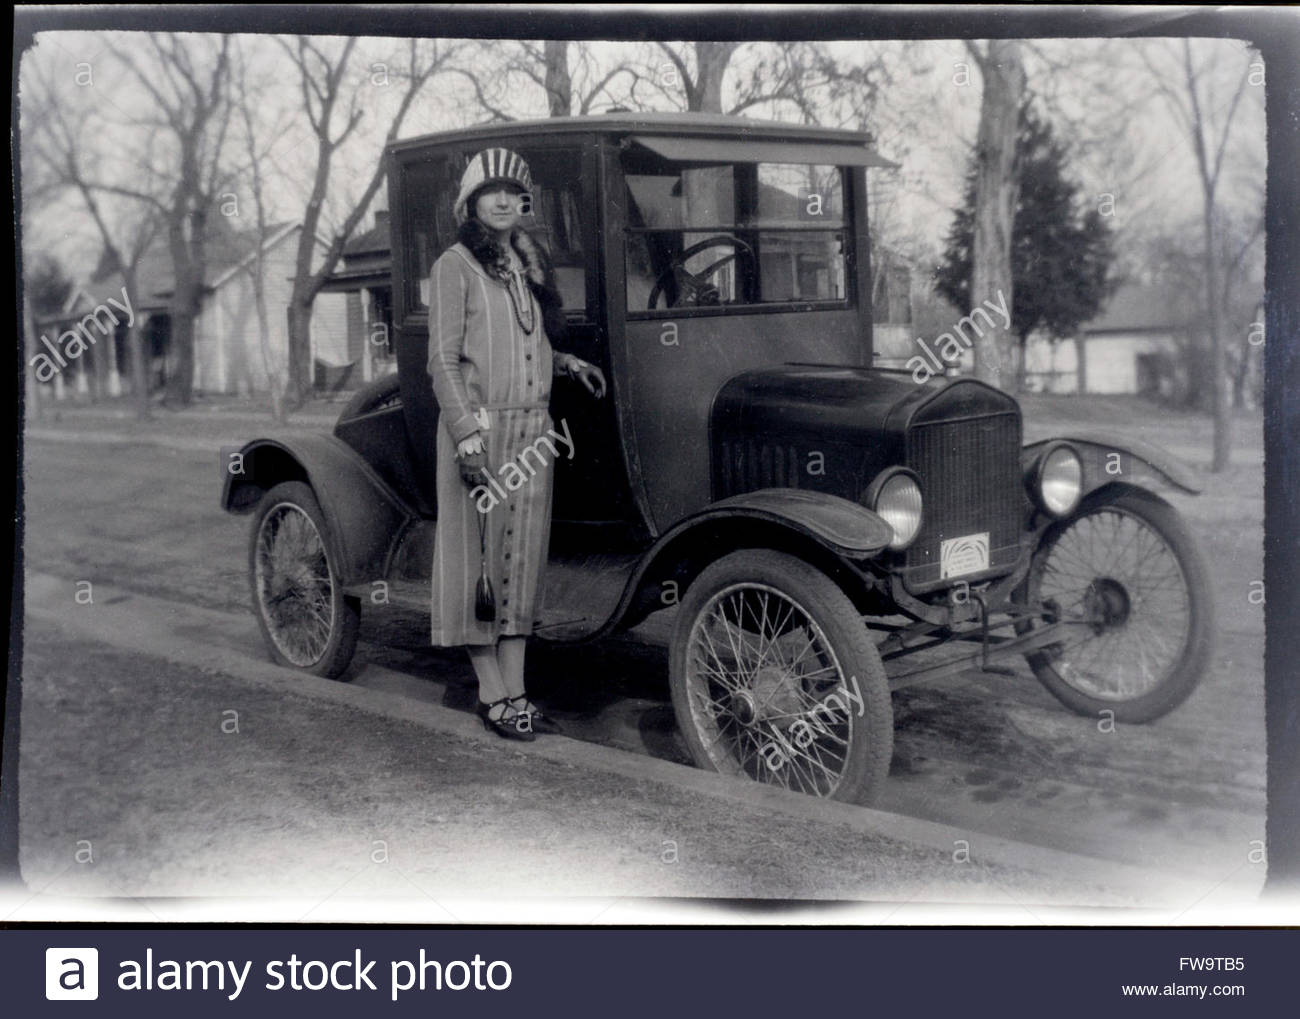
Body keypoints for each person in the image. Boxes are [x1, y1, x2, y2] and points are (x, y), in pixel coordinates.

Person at [426, 147, 606, 741]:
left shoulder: (525, 264)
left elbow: (527, 342)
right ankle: (491, 694)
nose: (503, 200)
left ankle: (518, 689)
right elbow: (444, 361)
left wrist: (568, 361)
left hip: (533, 428)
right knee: (478, 562)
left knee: (521, 562)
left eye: (512, 191)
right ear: (471, 201)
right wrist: (467, 435)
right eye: (491, 190)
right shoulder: (455, 265)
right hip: (479, 429)